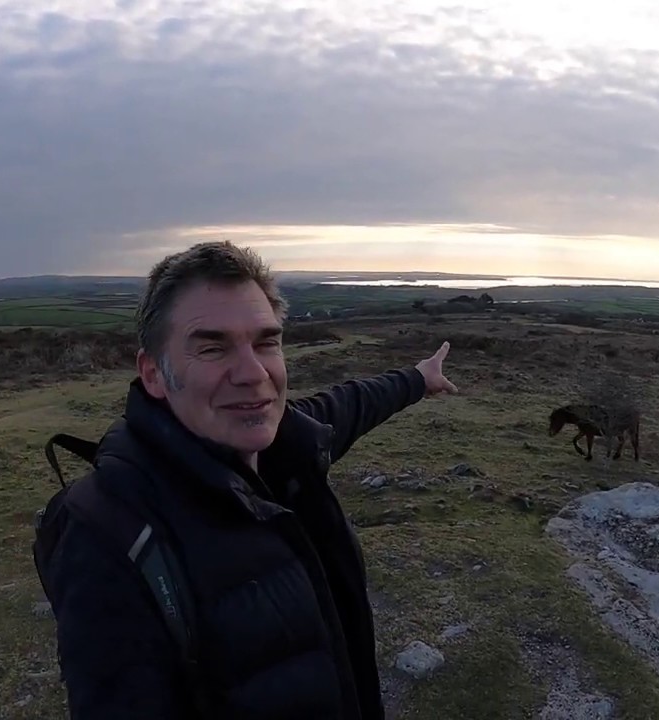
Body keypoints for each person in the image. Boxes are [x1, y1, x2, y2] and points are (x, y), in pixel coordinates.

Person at [45, 240, 459, 719]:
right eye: (212, 347)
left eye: (266, 341)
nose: (253, 372)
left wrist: (418, 378)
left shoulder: (286, 445)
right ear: (154, 373)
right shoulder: (111, 534)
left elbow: (351, 404)